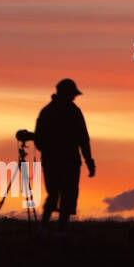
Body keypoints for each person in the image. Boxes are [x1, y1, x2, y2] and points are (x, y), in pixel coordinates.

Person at [34, 78, 96, 235]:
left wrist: (48, 152)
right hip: (69, 161)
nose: (74, 97)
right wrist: (89, 162)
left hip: (51, 161)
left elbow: (38, 139)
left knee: (54, 194)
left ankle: (43, 228)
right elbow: (84, 139)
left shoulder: (47, 111)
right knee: (67, 195)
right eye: (72, 94)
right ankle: (60, 231)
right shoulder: (74, 112)